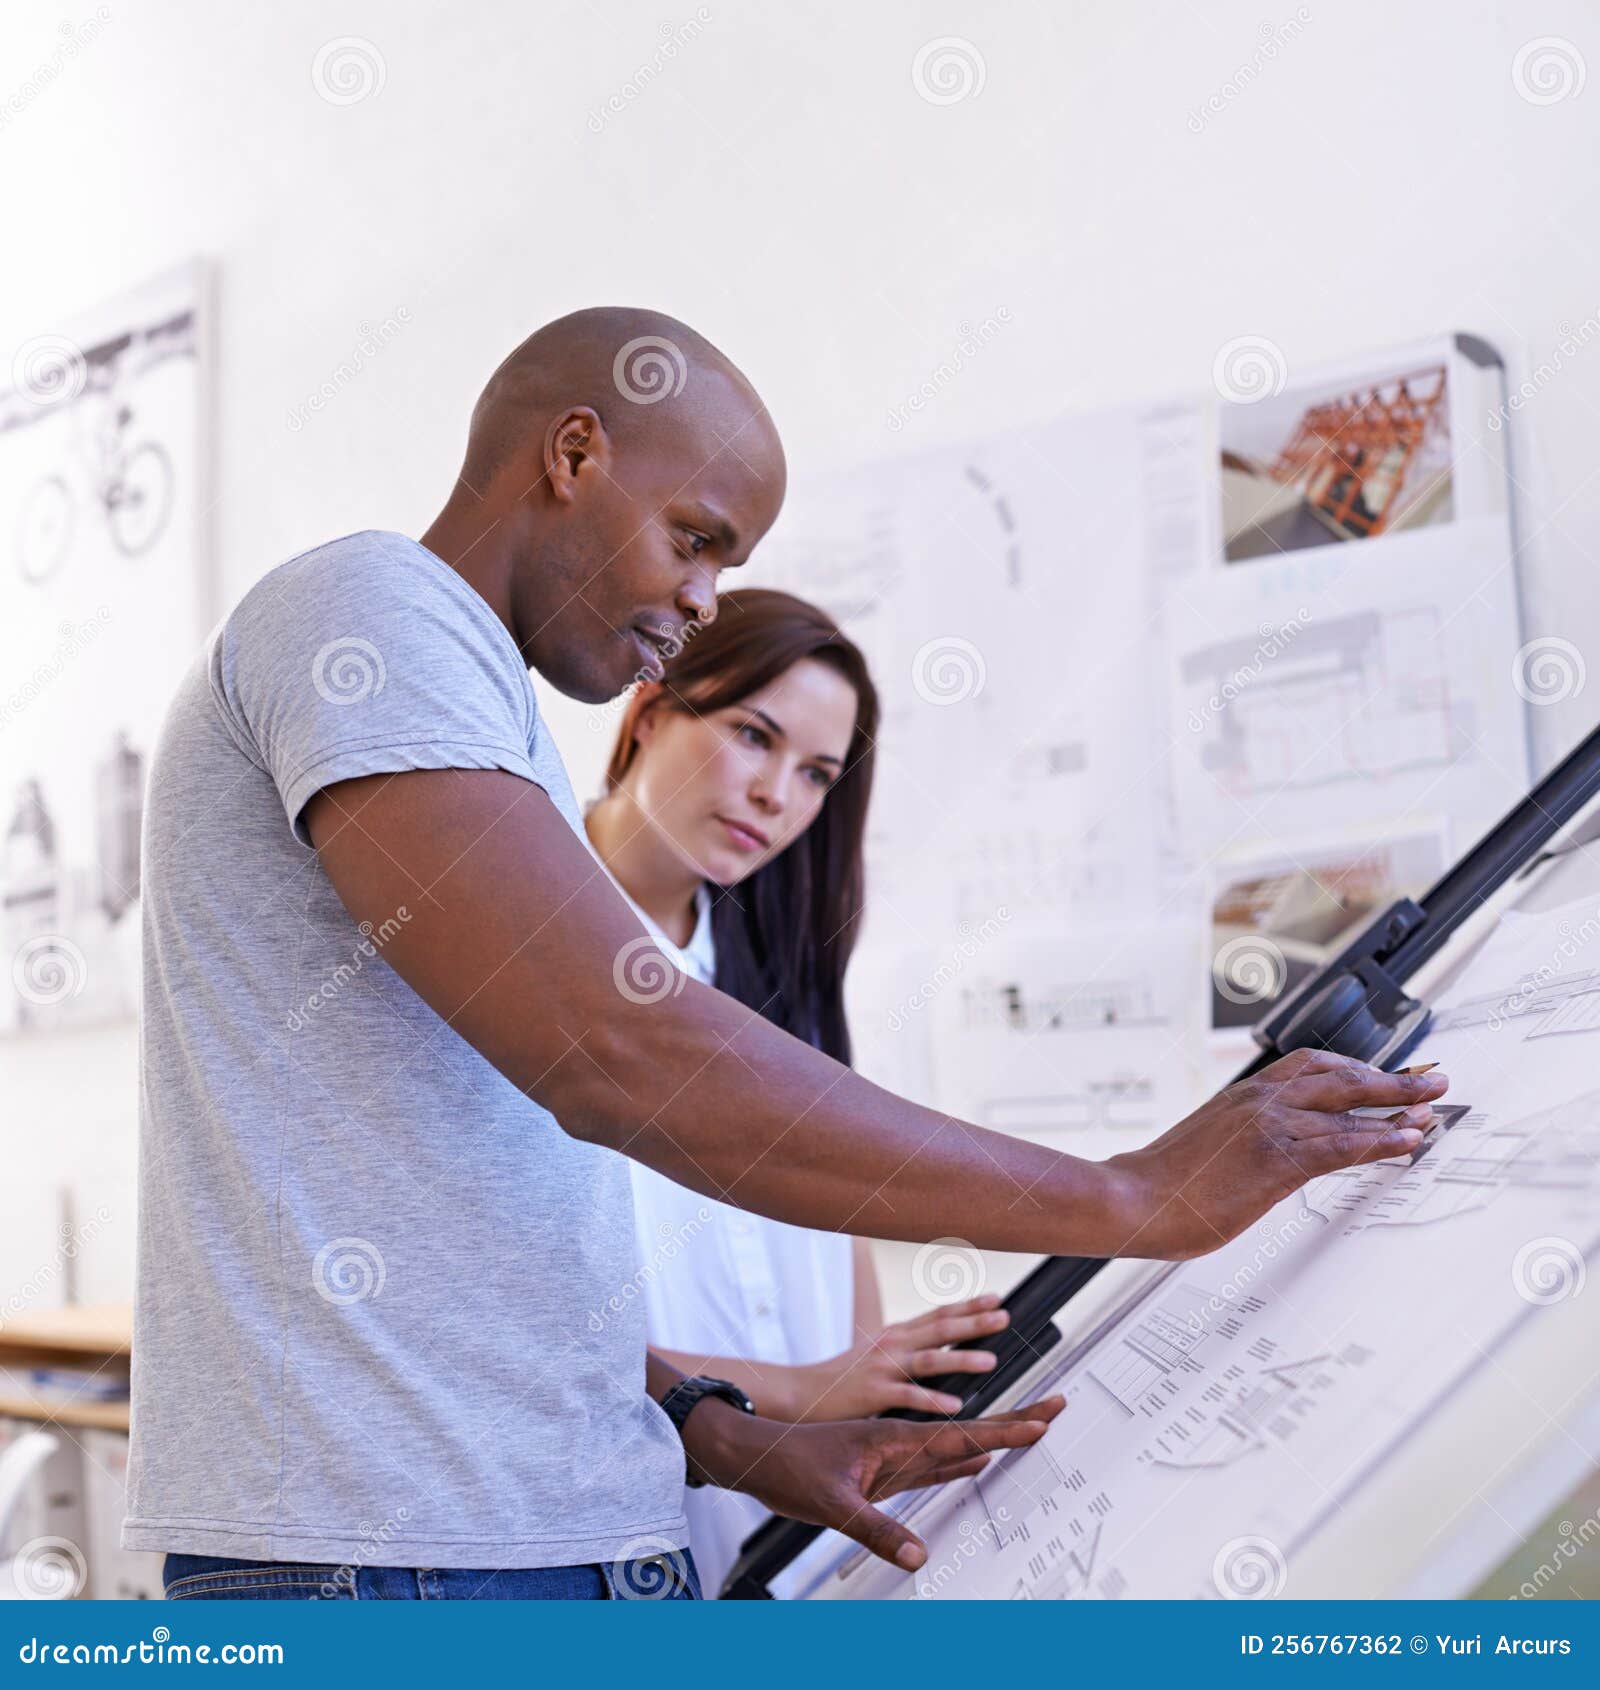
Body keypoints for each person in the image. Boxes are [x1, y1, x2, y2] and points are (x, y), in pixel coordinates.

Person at [127, 306, 1447, 1601]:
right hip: (405, 1561)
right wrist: (1131, 1198)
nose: (701, 601)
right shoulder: (370, 612)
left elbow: (473, 1241)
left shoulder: (483, 713)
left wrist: (726, 1428)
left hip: (522, 1545)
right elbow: (619, 1050)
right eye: (695, 541)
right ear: (572, 455)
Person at [585, 585, 1014, 1592]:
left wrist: (877, 1380)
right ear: (648, 714)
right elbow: (510, 1312)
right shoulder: (529, 941)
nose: (778, 793)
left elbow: (831, 1215)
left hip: (800, 1547)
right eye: (751, 735)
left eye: (815, 772)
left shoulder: (775, 970)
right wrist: (797, 1393)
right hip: (623, 1541)